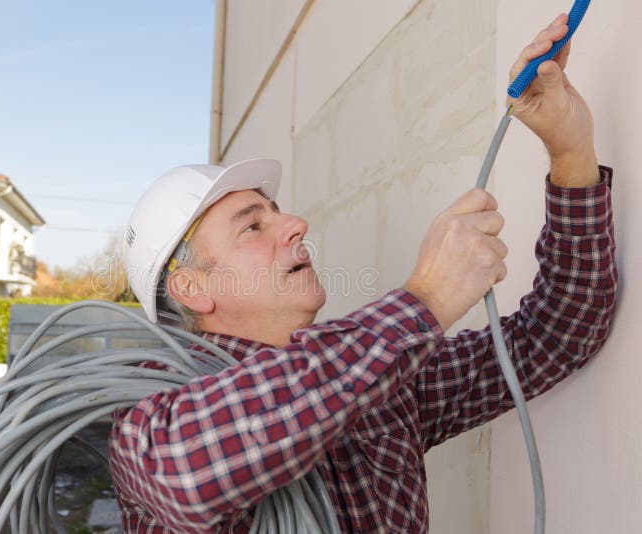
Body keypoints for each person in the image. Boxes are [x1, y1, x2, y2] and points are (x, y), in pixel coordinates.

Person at [111, 13, 617, 532]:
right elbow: (189, 472)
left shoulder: (384, 381)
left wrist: (570, 151)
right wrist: (426, 299)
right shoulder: (146, 422)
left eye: (277, 210)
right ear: (192, 288)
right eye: (251, 225)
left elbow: (559, 332)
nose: (294, 223)